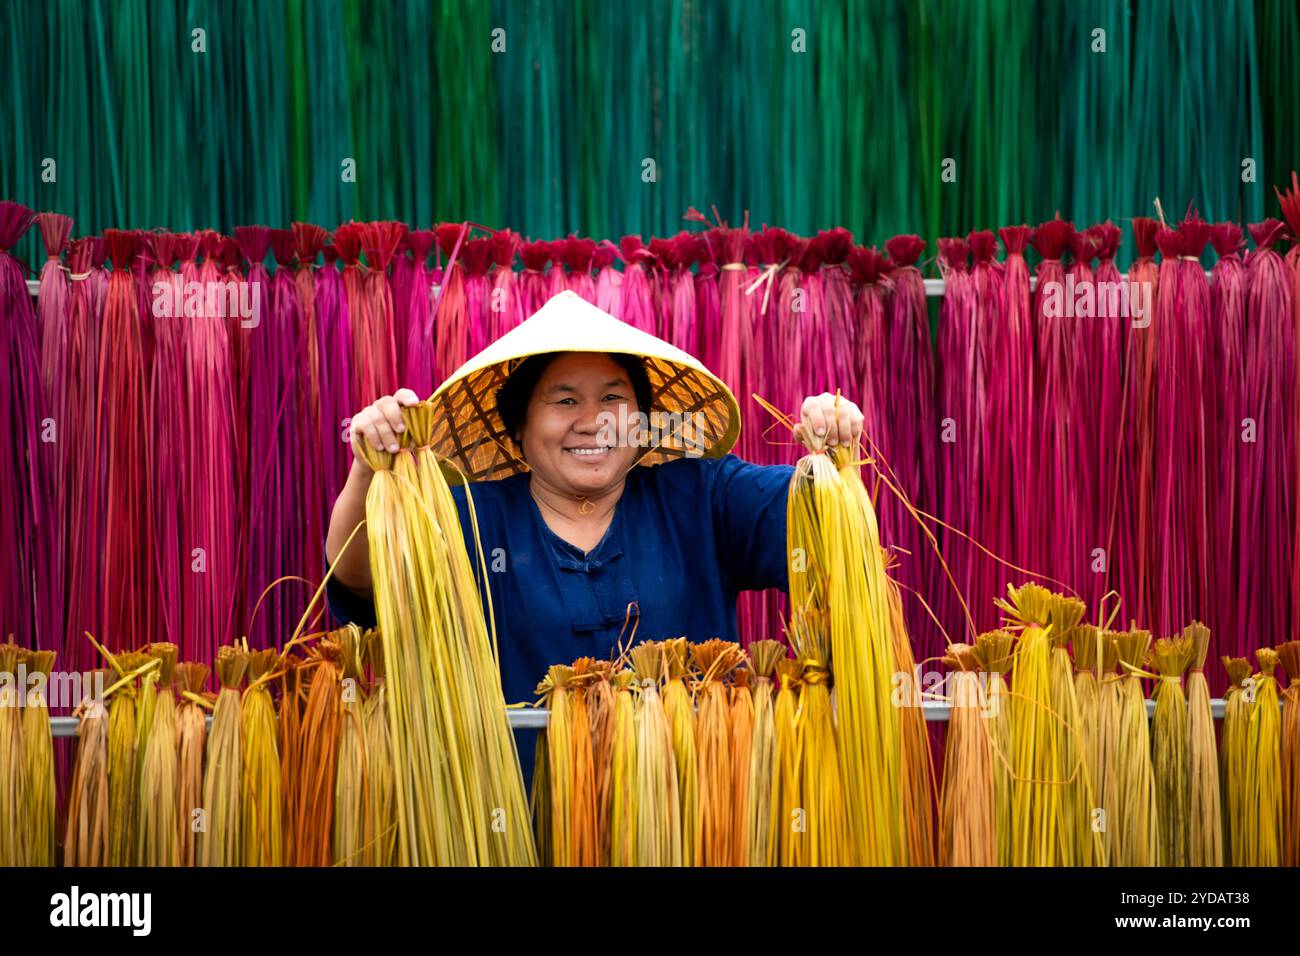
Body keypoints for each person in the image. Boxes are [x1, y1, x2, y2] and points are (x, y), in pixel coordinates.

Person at [324, 290, 863, 776]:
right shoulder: (473, 518)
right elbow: (364, 577)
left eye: (613, 399)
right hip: (522, 826)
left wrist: (833, 455)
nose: (594, 421)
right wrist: (370, 469)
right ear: (518, 429)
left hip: (701, 821)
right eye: (564, 401)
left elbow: (824, 532)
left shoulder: (703, 493)